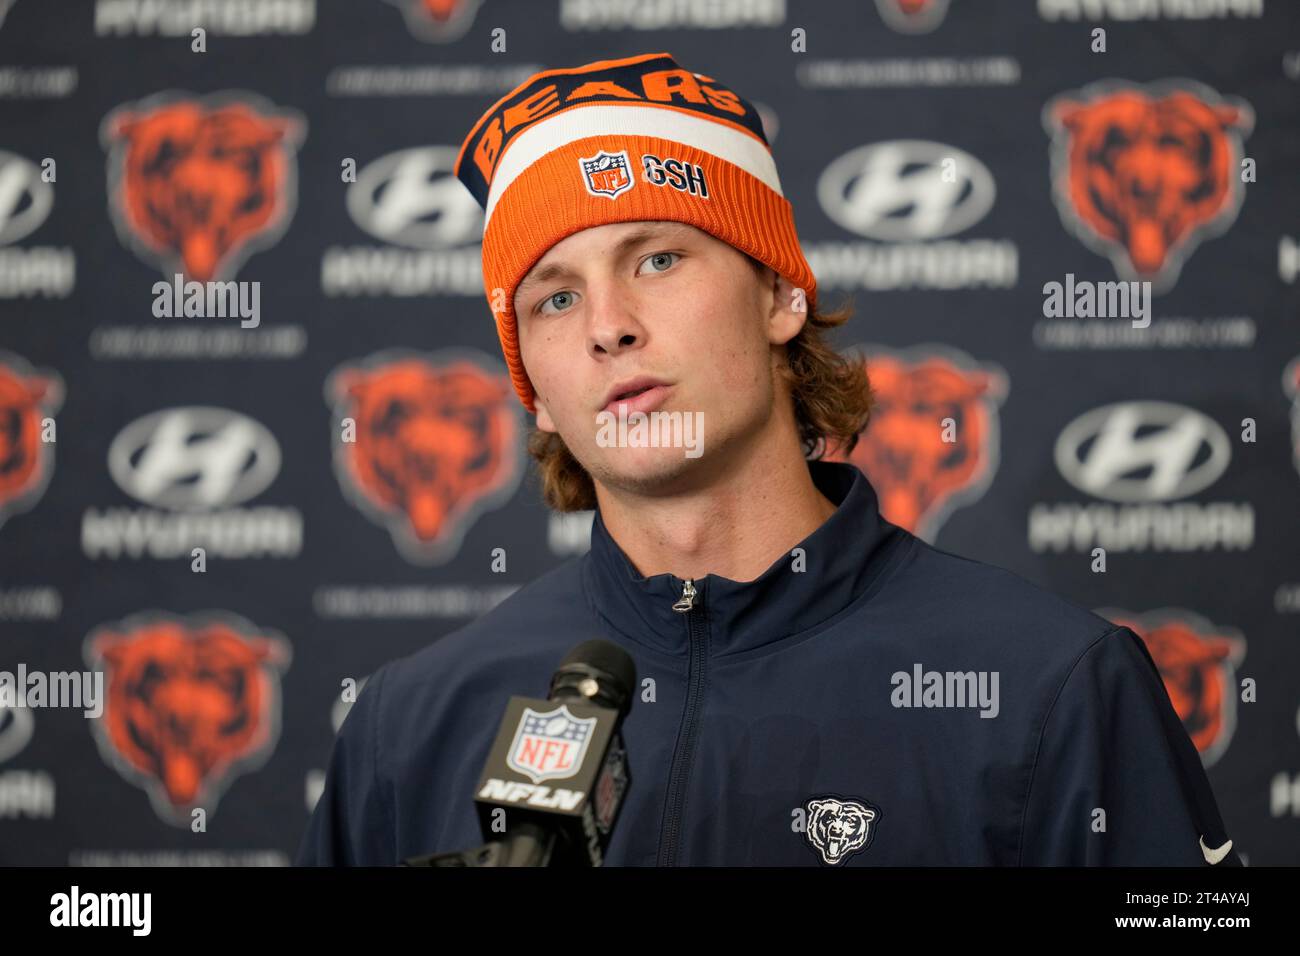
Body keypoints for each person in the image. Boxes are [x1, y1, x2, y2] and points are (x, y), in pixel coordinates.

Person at [297, 51, 1239, 867]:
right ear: (532, 387)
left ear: (781, 294)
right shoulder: (407, 729)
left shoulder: (1054, 684)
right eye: (553, 299)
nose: (610, 328)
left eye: (657, 258)